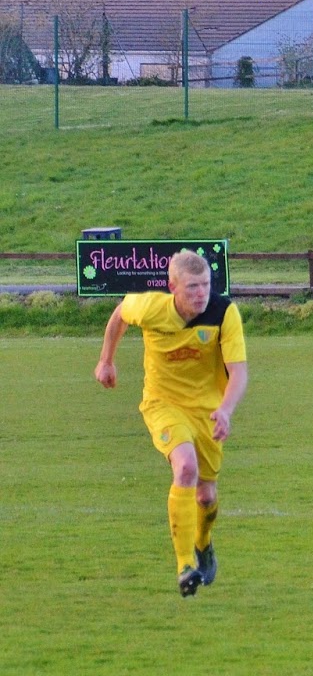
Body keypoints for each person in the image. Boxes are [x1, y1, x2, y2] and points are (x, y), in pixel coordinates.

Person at [94, 249, 249, 596]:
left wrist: (225, 410)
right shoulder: (150, 307)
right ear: (172, 286)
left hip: (207, 411)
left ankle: (203, 545)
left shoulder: (224, 312)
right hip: (162, 404)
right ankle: (184, 567)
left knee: (206, 498)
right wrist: (106, 361)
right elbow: (120, 314)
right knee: (184, 468)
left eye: (205, 284)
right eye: (192, 286)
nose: (201, 293)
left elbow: (239, 371)